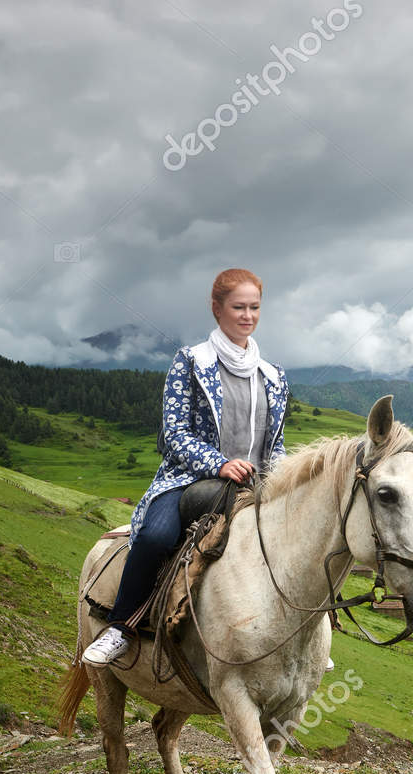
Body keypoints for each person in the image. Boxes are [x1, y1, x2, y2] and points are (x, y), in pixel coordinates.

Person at [82, 268, 293, 666]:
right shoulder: (192, 361)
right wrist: (219, 463)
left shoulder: (273, 375)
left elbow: (275, 443)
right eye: (238, 307)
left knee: (305, 530)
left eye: (254, 307)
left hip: (257, 483)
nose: (248, 316)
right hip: (189, 479)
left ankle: (309, 631)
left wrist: (284, 478)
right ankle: (121, 627)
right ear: (217, 309)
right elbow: (174, 434)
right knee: (155, 536)